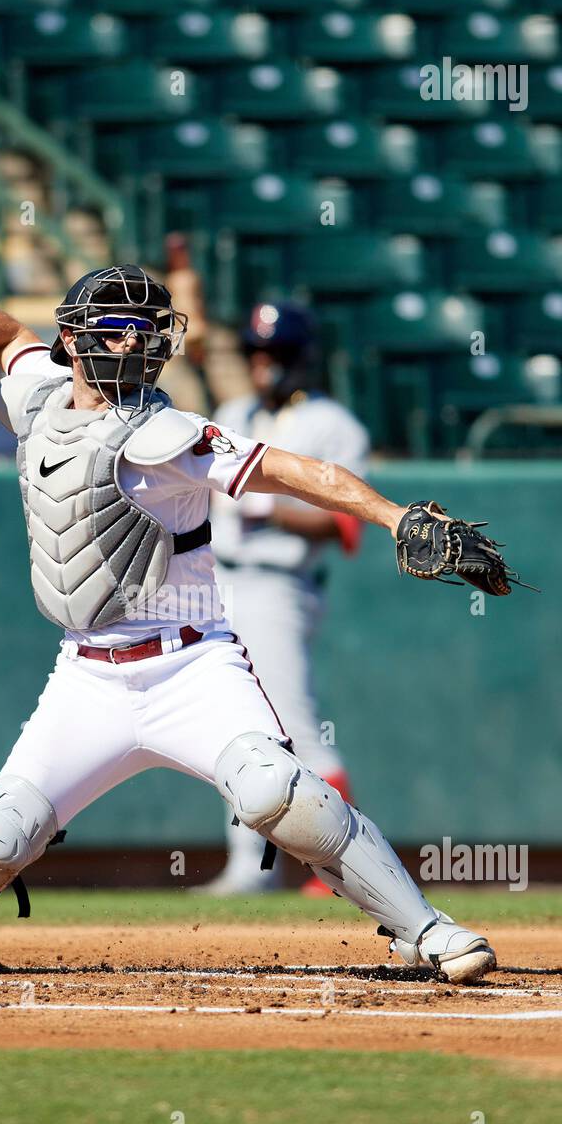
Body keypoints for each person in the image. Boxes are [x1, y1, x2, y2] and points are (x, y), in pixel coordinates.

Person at [0, 265, 497, 986]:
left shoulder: (167, 433)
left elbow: (294, 470)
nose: (133, 343)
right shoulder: (36, 393)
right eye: (115, 328)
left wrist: (392, 516)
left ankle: (426, 930)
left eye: (145, 329)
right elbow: (5, 334)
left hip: (193, 666)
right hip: (85, 675)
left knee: (273, 792)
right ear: (72, 342)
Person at [201, 301, 369, 895]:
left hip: (278, 585)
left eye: (278, 354)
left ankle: (348, 866)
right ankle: (250, 867)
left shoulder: (334, 424)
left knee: (295, 724)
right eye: (257, 352)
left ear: (302, 359)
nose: (265, 364)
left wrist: (272, 506)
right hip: (217, 583)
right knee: (230, 728)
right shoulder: (232, 412)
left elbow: (343, 525)